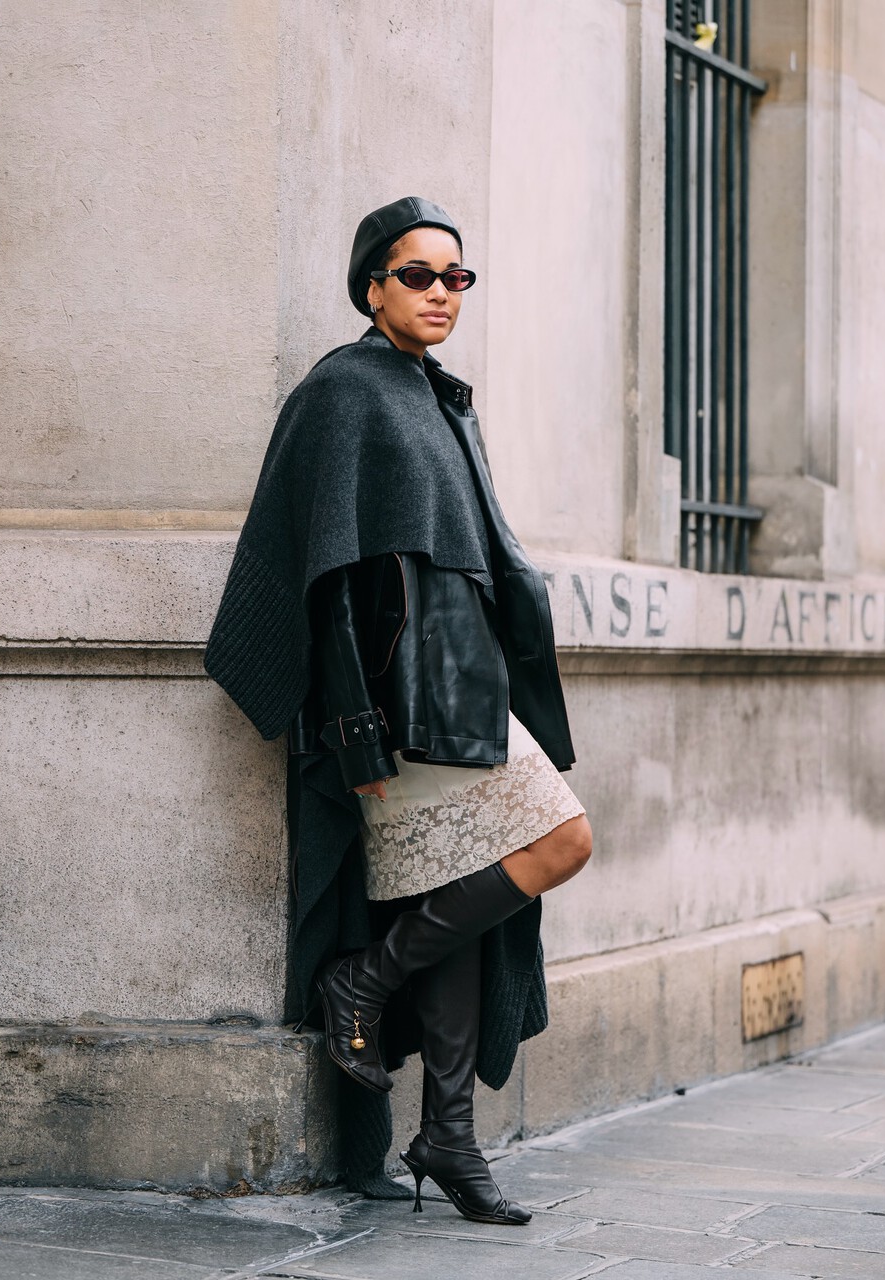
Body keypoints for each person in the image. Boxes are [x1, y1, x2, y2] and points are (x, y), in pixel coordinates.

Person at [205, 196, 592, 1225]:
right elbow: (324, 575)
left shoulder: (435, 394)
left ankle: (449, 1134)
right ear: (370, 284)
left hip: (464, 692)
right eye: (417, 275)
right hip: (400, 706)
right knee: (562, 840)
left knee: (469, 892)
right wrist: (352, 726)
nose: (439, 294)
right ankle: (363, 985)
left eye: (456, 277)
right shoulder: (344, 391)